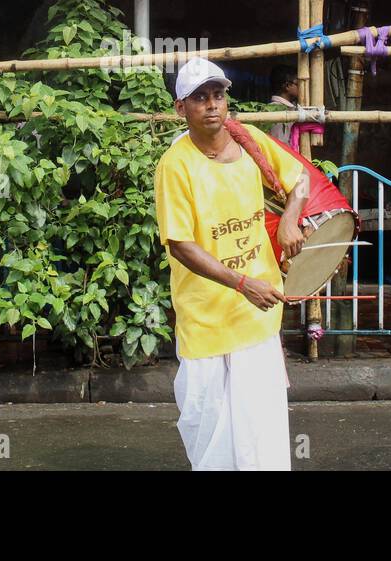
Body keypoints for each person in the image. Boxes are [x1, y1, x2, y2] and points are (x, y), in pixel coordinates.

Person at [155, 57, 309, 470]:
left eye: (218, 95)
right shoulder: (175, 165)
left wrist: (290, 220)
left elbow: (300, 180)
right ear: (180, 108)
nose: (211, 105)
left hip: (256, 316)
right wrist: (243, 283)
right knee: (208, 435)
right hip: (205, 320)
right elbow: (181, 244)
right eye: (199, 97)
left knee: (262, 434)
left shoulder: (249, 140)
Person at [267, 65, 300, 144]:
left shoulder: (289, 107)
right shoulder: (276, 110)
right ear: (288, 86)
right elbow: (279, 143)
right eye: (298, 84)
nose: (302, 87)